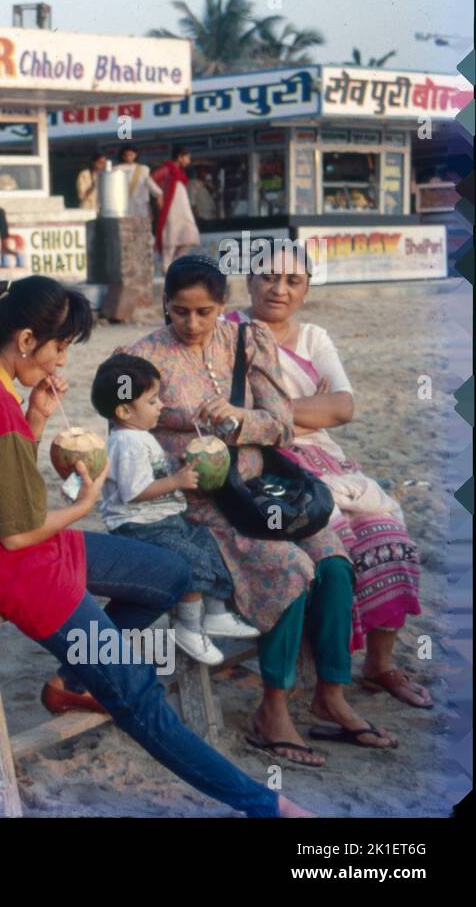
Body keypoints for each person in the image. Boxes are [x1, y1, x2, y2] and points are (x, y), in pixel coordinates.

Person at [0, 275, 309, 817]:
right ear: (27, 339)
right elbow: (15, 530)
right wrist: (85, 503)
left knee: (169, 574)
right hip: (10, 566)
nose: (59, 364)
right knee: (140, 696)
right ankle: (266, 805)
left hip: (19, 548)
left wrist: (34, 417)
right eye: (59, 349)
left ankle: (73, 680)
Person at [122, 256, 397, 766]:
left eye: (204, 312)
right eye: (180, 312)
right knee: (289, 568)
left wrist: (240, 418)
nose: (192, 324)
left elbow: (283, 424)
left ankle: (330, 695)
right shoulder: (140, 358)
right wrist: (181, 426)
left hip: (260, 492)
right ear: (166, 304)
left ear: (222, 306)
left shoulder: (249, 341)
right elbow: (125, 431)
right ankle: (272, 709)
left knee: (335, 565)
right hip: (198, 504)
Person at [231, 246, 429, 708]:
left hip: (323, 460)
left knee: (388, 535)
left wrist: (266, 415)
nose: (279, 289)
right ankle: (328, 678)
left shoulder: (313, 338)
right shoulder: (227, 333)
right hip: (263, 467)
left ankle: (379, 667)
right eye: (269, 277)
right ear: (249, 281)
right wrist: (301, 415)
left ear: (305, 290)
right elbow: (226, 420)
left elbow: (343, 407)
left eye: (293, 281)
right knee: (333, 538)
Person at [90, 353, 260, 666]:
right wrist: (177, 480)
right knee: (189, 560)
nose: (161, 406)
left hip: (164, 518)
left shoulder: (139, 436)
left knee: (208, 545)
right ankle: (188, 626)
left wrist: (178, 473)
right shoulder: (126, 442)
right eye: (153, 401)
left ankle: (216, 613)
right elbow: (135, 492)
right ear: (124, 410)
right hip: (139, 527)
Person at [151, 146, 201, 266]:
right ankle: (166, 267)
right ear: (179, 157)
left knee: (188, 237)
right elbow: (150, 179)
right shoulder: (167, 169)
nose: (188, 161)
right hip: (171, 208)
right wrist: (159, 195)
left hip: (183, 209)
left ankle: (177, 263)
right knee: (170, 238)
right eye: (187, 158)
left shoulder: (180, 172)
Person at [113, 144, 162, 226]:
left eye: (131, 154)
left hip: (140, 206)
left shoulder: (142, 169)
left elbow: (149, 184)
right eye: (126, 155)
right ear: (123, 156)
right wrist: (159, 193)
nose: (129, 157)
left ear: (135, 155)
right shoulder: (116, 170)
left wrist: (159, 195)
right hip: (124, 207)